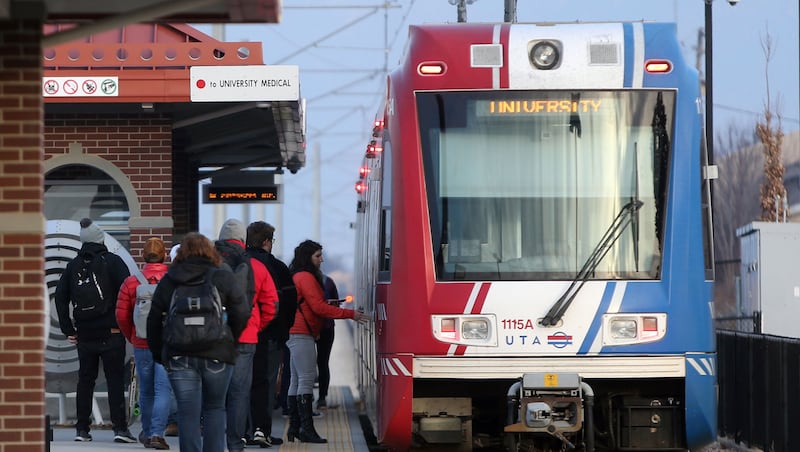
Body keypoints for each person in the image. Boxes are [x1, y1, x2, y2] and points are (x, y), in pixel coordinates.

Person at [146, 232, 250, 452]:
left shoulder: (171, 277)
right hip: (217, 353)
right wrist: (231, 339)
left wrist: (159, 353)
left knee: (187, 411)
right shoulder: (222, 274)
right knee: (215, 408)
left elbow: (154, 318)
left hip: (179, 354)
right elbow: (241, 310)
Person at [54, 218, 135, 443]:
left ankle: (82, 430)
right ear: (100, 239)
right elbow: (128, 294)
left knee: (85, 380)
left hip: (85, 334)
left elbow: (60, 297)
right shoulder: (114, 262)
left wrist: (68, 328)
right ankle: (120, 429)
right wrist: (126, 325)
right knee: (115, 380)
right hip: (112, 333)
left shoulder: (73, 266)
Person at [286, 240, 369, 443]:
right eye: (318, 255)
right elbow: (318, 307)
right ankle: (306, 429)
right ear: (308, 258)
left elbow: (313, 304)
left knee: (297, 380)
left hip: (297, 331)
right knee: (305, 378)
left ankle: (295, 428)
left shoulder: (297, 275)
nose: (321, 259)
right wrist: (350, 314)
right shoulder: (306, 277)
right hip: (301, 331)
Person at [215, 218, 279, 452]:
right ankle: (236, 442)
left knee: (213, 393)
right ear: (243, 239)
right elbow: (272, 304)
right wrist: (256, 326)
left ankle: (214, 442)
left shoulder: (208, 262)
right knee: (239, 393)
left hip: (213, 338)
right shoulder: (256, 266)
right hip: (246, 338)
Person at [115, 237, 172, 450]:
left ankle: (147, 433)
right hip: (166, 344)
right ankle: (158, 433)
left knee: (146, 391)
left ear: (142, 256)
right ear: (165, 255)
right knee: (163, 389)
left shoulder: (131, 282)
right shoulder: (173, 279)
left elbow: (121, 314)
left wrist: (132, 335)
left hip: (141, 342)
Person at [246, 221, 297, 447]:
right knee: (265, 384)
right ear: (267, 242)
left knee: (241, 383)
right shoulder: (277, 267)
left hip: (239, 335)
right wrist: (283, 331)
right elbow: (288, 302)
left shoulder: (238, 263)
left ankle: (241, 430)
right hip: (269, 336)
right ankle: (261, 430)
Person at [316, 274, 340, 410]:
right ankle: (321, 398)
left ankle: (307, 397)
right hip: (326, 327)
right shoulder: (328, 281)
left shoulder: (296, 277)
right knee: (323, 363)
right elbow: (336, 304)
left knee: (303, 366)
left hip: (311, 327)